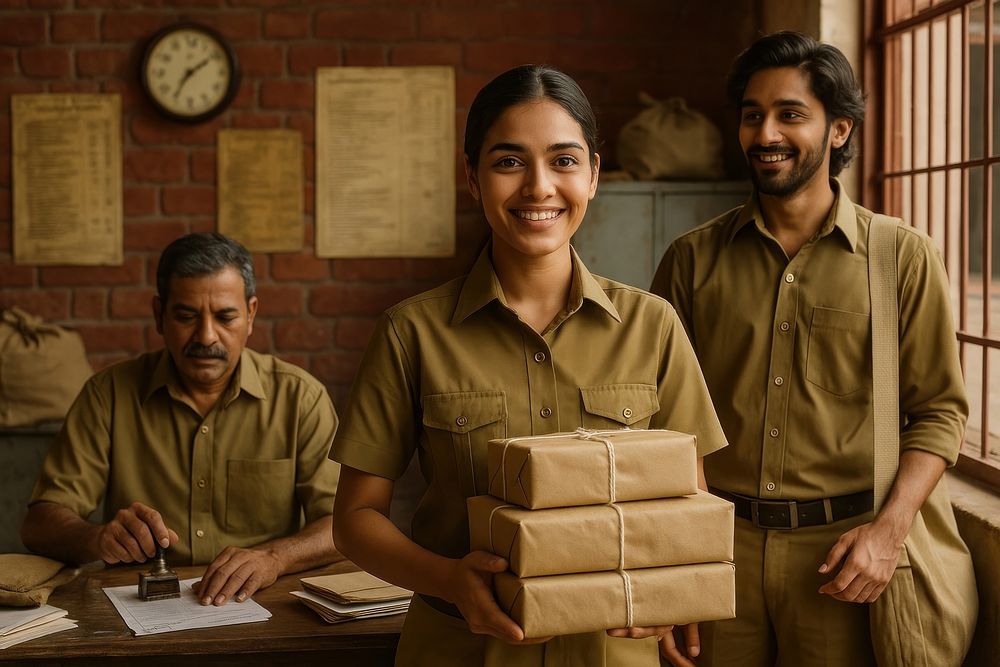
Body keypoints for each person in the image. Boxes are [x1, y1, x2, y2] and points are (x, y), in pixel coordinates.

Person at [330, 65, 728, 667]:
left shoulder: (653, 326)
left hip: (616, 652)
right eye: (509, 162)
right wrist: (448, 579)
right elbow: (355, 520)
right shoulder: (410, 333)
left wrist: (669, 591)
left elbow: (690, 498)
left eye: (564, 161)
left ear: (594, 175)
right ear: (472, 178)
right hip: (461, 647)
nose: (539, 187)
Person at [650, 31, 976, 666]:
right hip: (720, 549)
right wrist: (670, 560)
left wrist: (889, 532)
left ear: (840, 131)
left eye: (790, 114)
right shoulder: (691, 260)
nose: (765, 133)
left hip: (845, 555)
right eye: (752, 115)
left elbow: (940, 412)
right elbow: (659, 418)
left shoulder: (901, 256)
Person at [21, 232, 342, 606]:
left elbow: (345, 526)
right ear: (159, 315)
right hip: (138, 609)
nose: (206, 336)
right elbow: (40, 523)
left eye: (225, 316)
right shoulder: (108, 394)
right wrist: (97, 538)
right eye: (186, 316)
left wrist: (274, 557)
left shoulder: (300, 399)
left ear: (251, 315)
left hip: (264, 605)